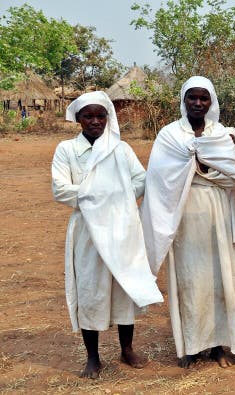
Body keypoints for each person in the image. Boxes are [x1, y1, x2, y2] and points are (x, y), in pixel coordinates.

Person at [51, 91, 163, 379]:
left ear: (108, 117)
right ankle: (93, 357)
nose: (95, 121)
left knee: (124, 286)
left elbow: (140, 179)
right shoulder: (66, 150)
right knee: (90, 290)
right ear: (78, 119)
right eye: (88, 116)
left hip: (121, 226)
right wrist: (105, 196)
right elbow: (60, 189)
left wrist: (117, 199)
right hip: (88, 231)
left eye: (101, 115)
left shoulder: (120, 149)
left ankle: (127, 349)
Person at [140, 76, 235, 369]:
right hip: (184, 214)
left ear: (211, 101)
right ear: (184, 100)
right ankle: (190, 345)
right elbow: (158, 180)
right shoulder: (169, 135)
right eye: (193, 97)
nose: (198, 103)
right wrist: (193, 166)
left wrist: (204, 167)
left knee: (219, 278)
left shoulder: (222, 135)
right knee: (189, 280)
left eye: (204, 98)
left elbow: (234, 177)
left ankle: (217, 346)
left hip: (217, 213)